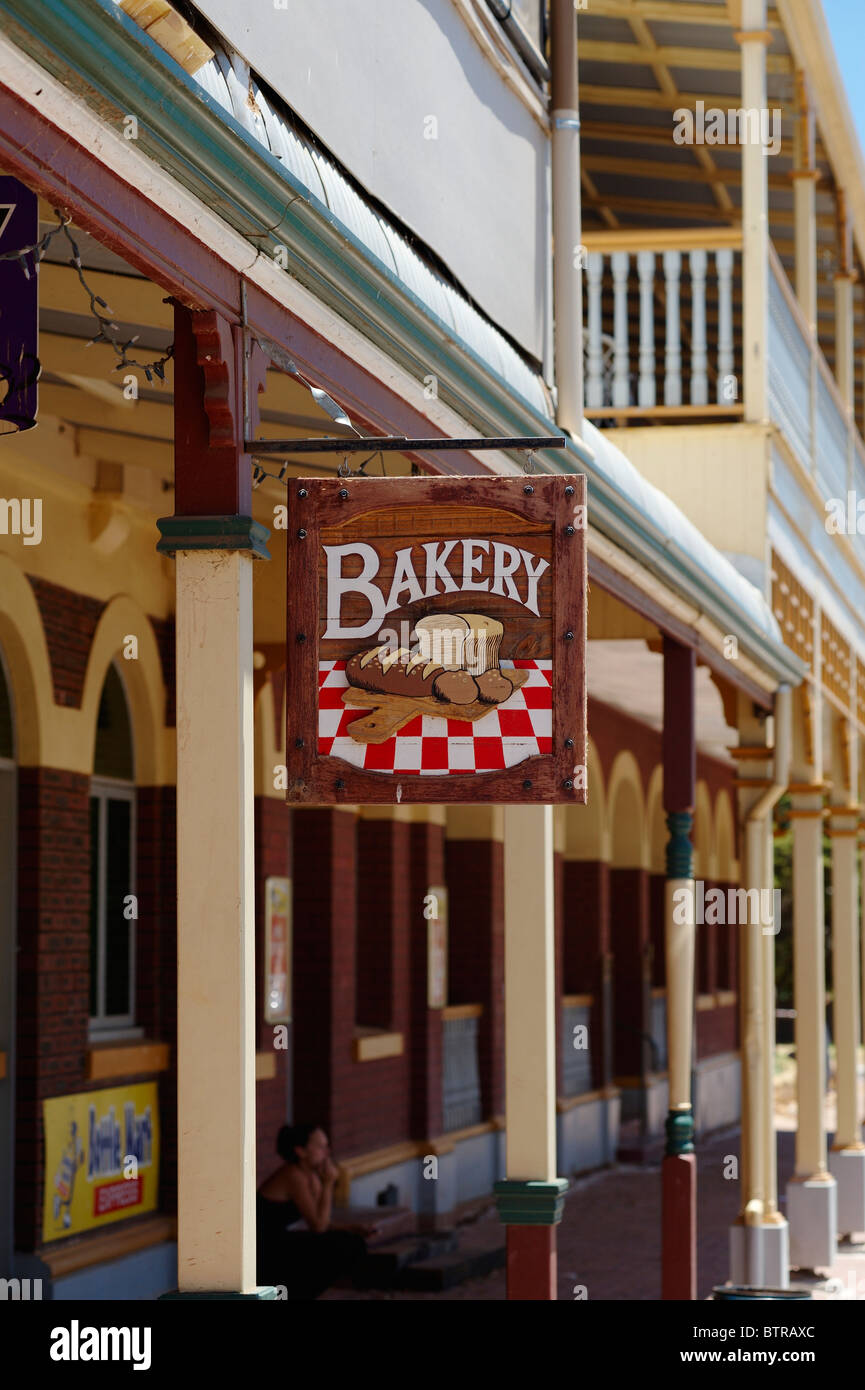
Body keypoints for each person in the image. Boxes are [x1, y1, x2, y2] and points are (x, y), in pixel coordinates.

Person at [256, 1123, 374, 1298]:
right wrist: (328, 1184)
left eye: (326, 1146)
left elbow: (321, 1221)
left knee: (352, 1241)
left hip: (281, 1241)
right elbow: (318, 1227)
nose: (327, 1152)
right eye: (320, 1147)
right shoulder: (293, 1175)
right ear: (300, 1151)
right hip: (264, 1250)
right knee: (341, 1247)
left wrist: (350, 1228)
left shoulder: (311, 1175)